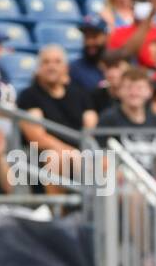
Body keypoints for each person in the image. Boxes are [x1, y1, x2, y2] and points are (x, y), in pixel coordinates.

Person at [17, 46, 99, 194]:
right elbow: (37, 138)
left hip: (80, 154)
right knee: (54, 158)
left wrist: (79, 154)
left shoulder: (80, 94)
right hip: (41, 159)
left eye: (57, 62)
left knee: (109, 163)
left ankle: (106, 215)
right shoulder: (29, 96)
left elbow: (91, 127)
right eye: (46, 62)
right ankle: (56, 214)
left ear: (66, 68)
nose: (51, 67)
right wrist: (72, 153)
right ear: (38, 68)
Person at [97, 66, 156, 179]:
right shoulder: (108, 119)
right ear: (119, 91)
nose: (134, 93)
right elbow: (100, 157)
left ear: (149, 91)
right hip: (120, 185)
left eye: (139, 88)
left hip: (151, 185)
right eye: (129, 87)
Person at [70, 15, 111, 99]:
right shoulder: (75, 68)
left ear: (106, 37)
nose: (90, 42)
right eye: (86, 37)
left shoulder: (117, 64)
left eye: (94, 36)